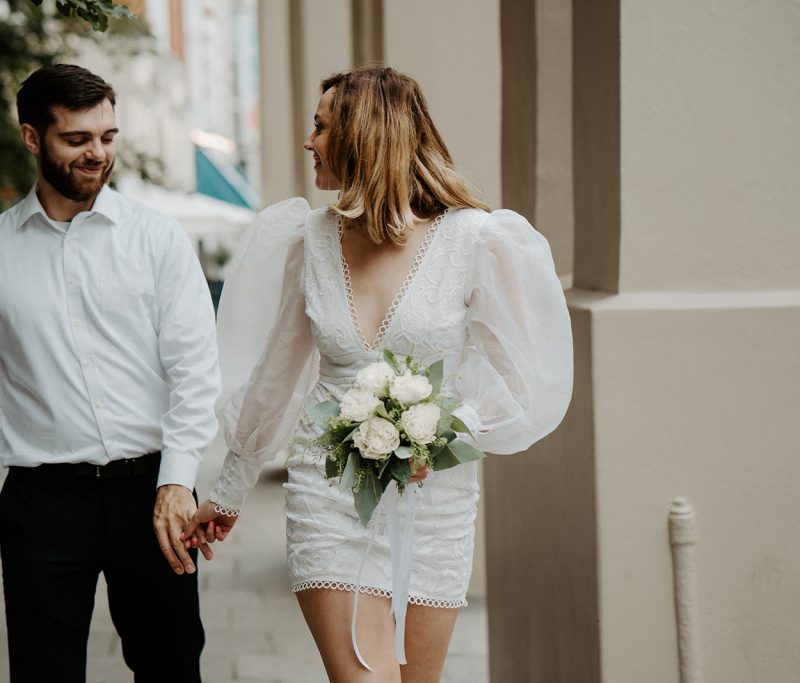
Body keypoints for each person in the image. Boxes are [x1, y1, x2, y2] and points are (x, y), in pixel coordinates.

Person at [183, 66, 574, 682]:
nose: (308, 142)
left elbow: (523, 381)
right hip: (328, 491)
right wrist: (228, 491)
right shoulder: (309, 240)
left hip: (434, 498)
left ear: (365, 135)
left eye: (321, 127)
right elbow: (275, 378)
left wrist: (442, 433)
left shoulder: (476, 240)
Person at [0, 63, 220, 683]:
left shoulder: (158, 240)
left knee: (172, 667)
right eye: (78, 140)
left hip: (153, 491)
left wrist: (178, 480)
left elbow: (195, 369)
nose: (98, 154)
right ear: (33, 137)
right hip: (44, 501)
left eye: (108, 137)